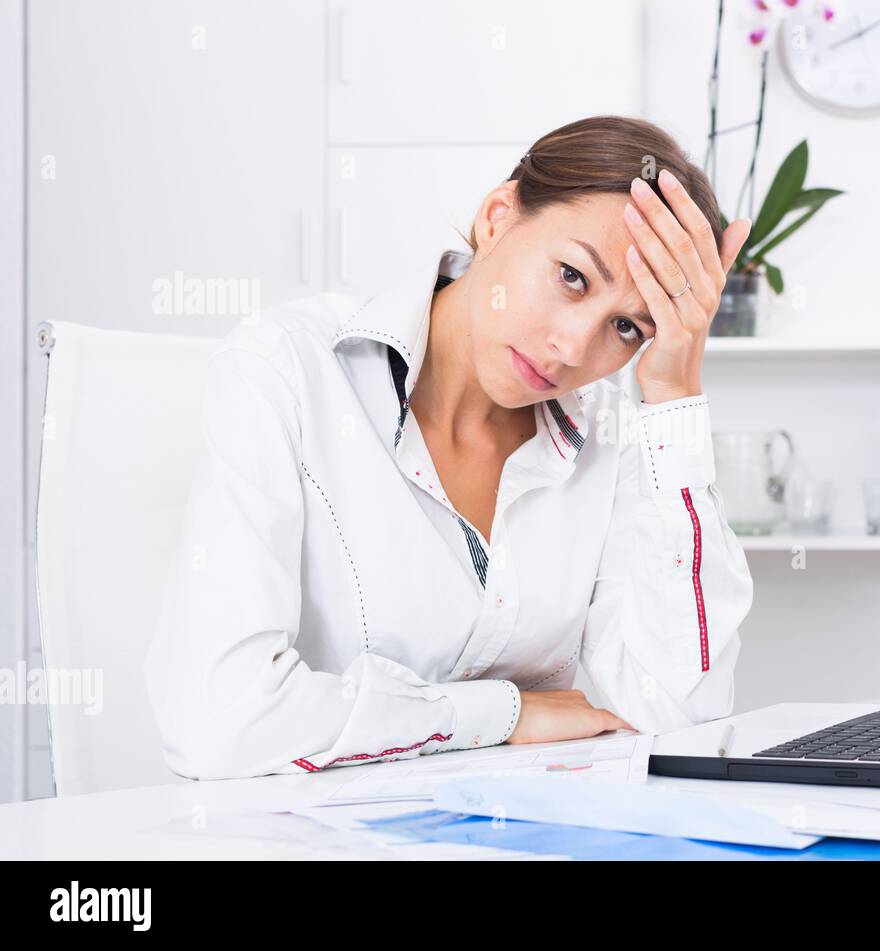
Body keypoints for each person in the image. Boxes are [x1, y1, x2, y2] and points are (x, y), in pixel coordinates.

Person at [143, 115, 756, 780]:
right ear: (497, 218)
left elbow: (678, 711)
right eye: (572, 276)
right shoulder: (288, 370)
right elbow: (216, 720)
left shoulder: (614, 436)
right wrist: (502, 714)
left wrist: (672, 392)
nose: (574, 346)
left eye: (628, 327)